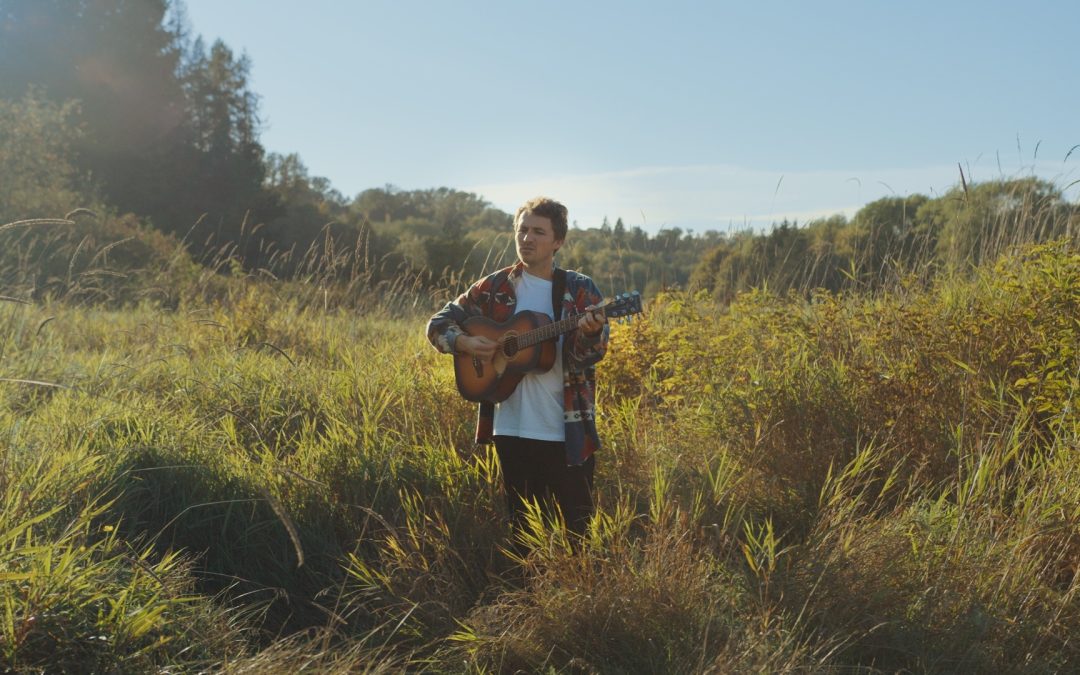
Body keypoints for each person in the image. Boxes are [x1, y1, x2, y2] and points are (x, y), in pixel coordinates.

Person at [426, 196, 608, 540]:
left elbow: (592, 355)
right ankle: (525, 594)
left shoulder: (578, 289)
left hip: (565, 431)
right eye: (522, 230)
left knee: (579, 532)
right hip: (510, 429)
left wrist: (592, 331)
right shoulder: (495, 287)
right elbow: (438, 323)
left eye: (538, 232)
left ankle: (578, 590)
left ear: (558, 242)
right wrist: (464, 343)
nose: (527, 238)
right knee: (523, 533)